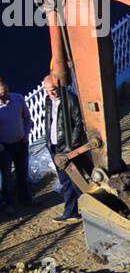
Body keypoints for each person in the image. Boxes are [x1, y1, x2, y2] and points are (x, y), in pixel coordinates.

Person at [42, 75, 87, 223]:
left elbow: (79, 124)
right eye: (48, 91)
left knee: (77, 181)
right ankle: (70, 212)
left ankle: (92, 210)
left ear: (59, 87)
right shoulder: (48, 101)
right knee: (65, 181)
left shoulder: (70, 99)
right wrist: (48, 141)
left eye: (53, 90)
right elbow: (49, 121)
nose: (51, 94)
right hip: (54, 147)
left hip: (67, 148)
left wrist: (71, 146)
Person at [0, 78, 33, 215]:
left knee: (22, 172)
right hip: (4, 147)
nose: (3, 94)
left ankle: (25, 198)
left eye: (4, 90)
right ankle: (8, 202)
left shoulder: (18, 99)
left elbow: (27, 118)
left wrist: (25, 135)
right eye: (0, 93)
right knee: (6, 176)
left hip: (20, 142)